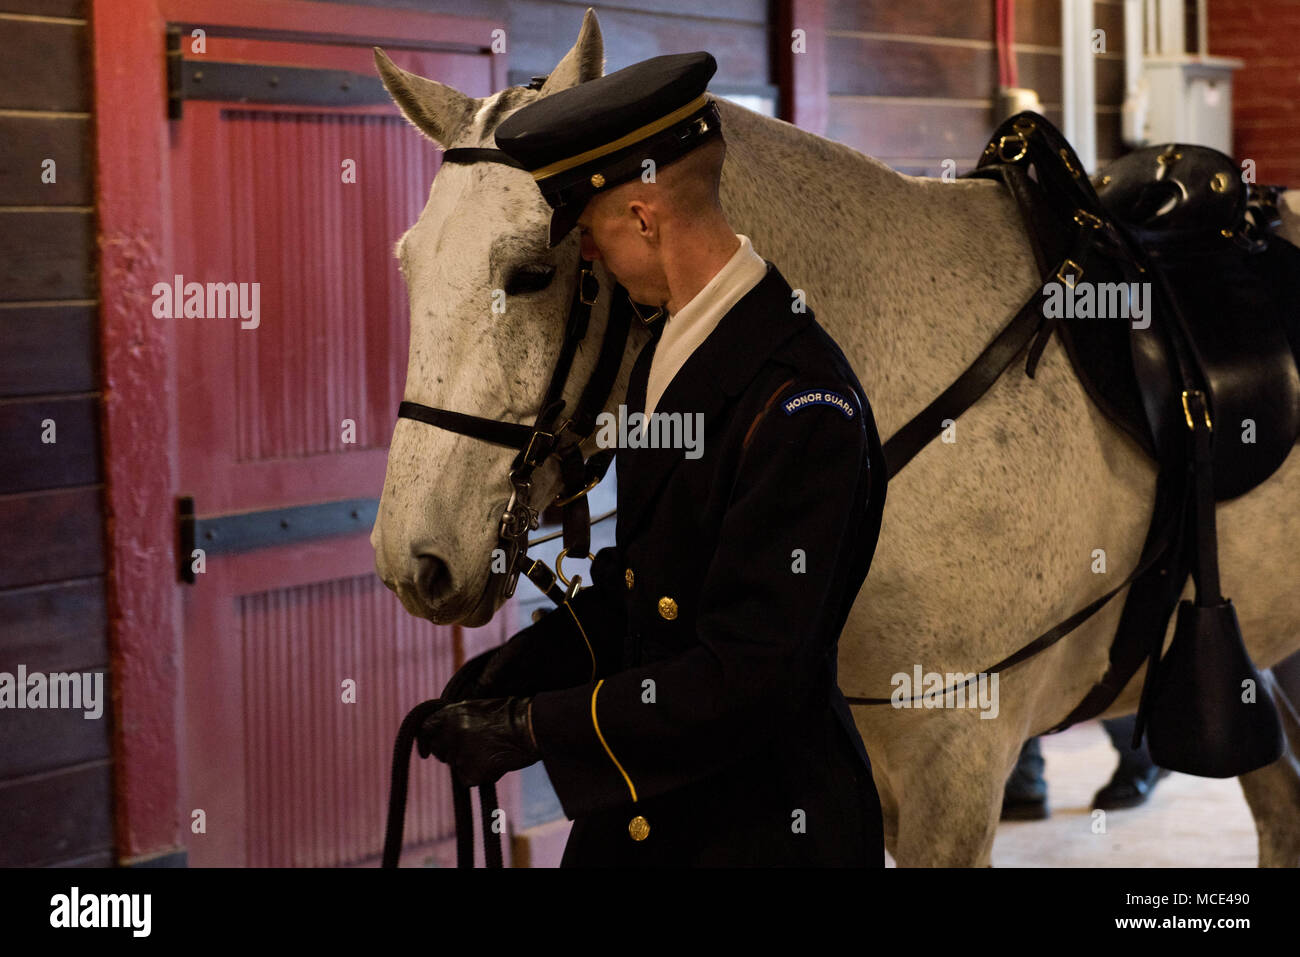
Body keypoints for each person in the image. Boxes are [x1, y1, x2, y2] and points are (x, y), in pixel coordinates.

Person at [415, 51, 889, 866]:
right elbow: (643, 598)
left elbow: (749, 674)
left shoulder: (802, 401)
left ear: (642, 218)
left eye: (590, 232)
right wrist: (514, 674)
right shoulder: (671, 354)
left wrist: (535, 729)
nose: (587, 259)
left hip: (762, 832)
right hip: (655, 814)